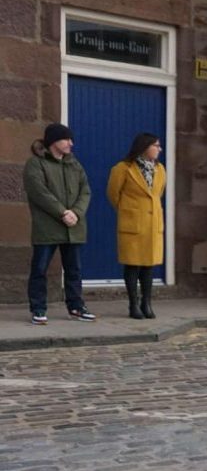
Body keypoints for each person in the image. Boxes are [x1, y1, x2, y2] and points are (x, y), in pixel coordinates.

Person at [23, 123, 95, 325]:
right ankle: (38, 309)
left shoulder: (75, 164)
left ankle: (76, 307)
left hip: (73, 227)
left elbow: (85, 191)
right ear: (54, 141)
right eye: (66, 139)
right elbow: (39, 192)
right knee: (40, 269)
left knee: (74, 270)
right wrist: (62, 212)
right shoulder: (36, 164)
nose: (71, 143)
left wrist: (76, 213)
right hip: (47, 227)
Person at [106, 133, 166, 320]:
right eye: (156, 145)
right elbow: (113, 194)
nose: (159, 149)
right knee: (132, 265)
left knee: (149, 266)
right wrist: (129, 211)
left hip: (153, 224)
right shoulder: (123, 169)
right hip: (133, 224)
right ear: (144, 146)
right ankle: (133, 304)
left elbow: (158, 193)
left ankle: (146, 303)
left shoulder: (160, 169)